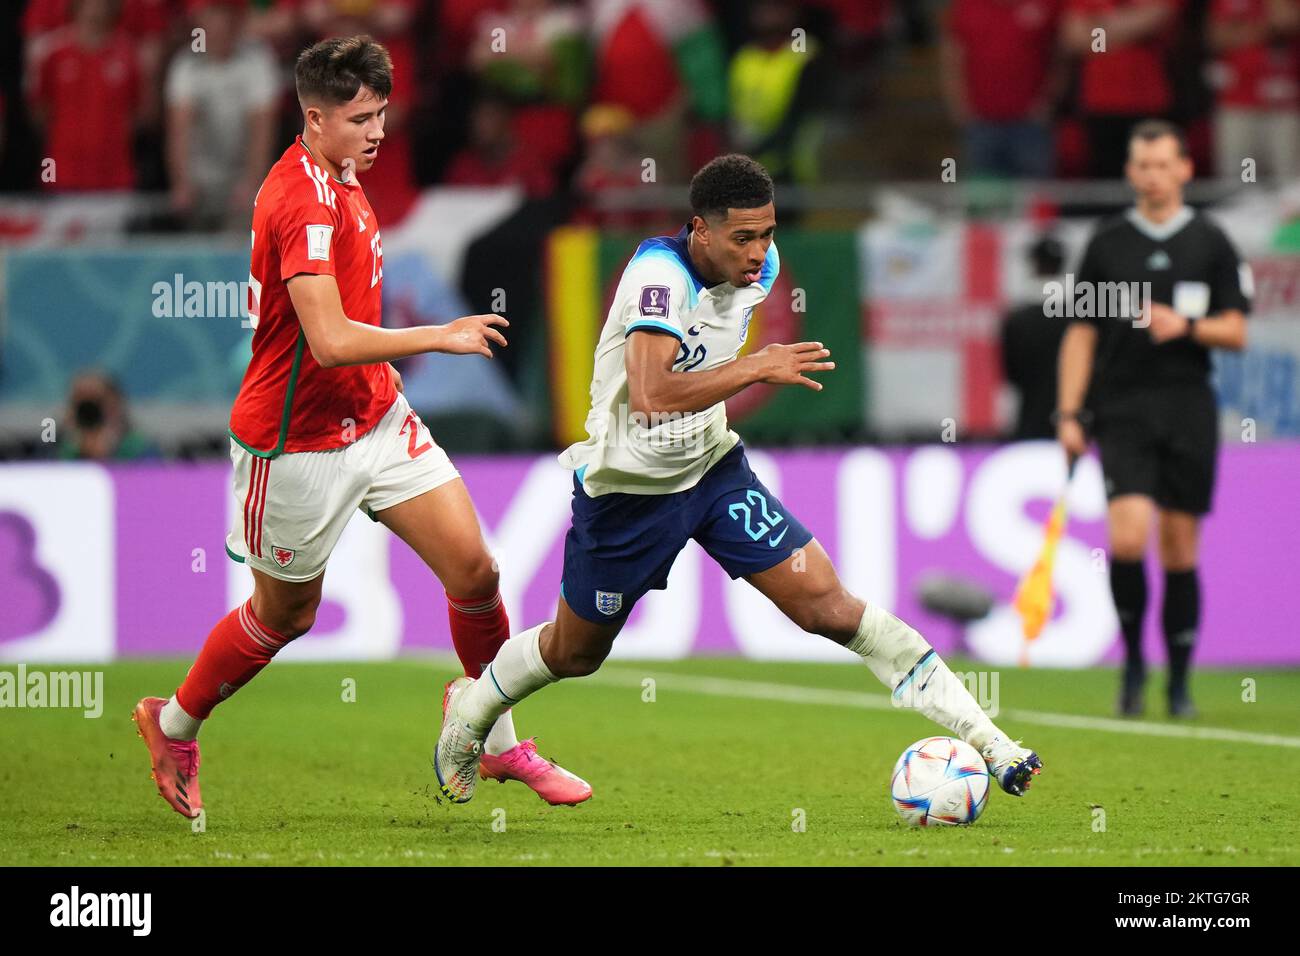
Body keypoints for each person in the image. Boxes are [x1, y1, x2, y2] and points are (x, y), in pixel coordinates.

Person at [433, 154, 1044, 805]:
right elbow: (650, 394)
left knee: (829, 608)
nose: (759, 253)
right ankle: (468, 714)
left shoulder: (761, 270)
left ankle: (993, 743)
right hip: (626, 493)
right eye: (742, 237)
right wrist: (757, 367)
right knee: (575, 652)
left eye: (769, 233)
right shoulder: (656, 278)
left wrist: (743, 376)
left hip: (713, 473)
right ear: (700, 229)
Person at [133, 36, 590, 821]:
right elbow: (330, 340)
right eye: (360, 118)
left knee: (476, 574)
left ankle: (492, 732)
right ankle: (173, 723)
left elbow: (350, 350)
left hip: (375, 416)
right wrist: (438, 335)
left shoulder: (343, 171)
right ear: (314, 118)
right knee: (286, 616)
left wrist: (391, 373)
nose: (378, 132)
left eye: (381, 114)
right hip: (296, 445)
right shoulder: (300, 199)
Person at [1056, 119, 1250, 718]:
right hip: (1123, 407)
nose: (1154, 176)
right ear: (1129, 172)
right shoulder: (1108, 242)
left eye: (1165, 164)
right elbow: (1081, 333)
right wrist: (1068, 411)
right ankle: (1135, 662)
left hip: (1187, 405)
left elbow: (1237, 330)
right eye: (1143, 165)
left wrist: (1186, 326)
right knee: (1129, 534)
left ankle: (1180, 681)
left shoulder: (1211, 242)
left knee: (1180, 547)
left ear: (1186, 169)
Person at [1002, 234, 1070, 440]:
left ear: (1034, 265)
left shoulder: (1017, 319)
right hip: (1071, 421)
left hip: (1031, 422)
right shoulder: (1078, 317)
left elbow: (1010, 374)